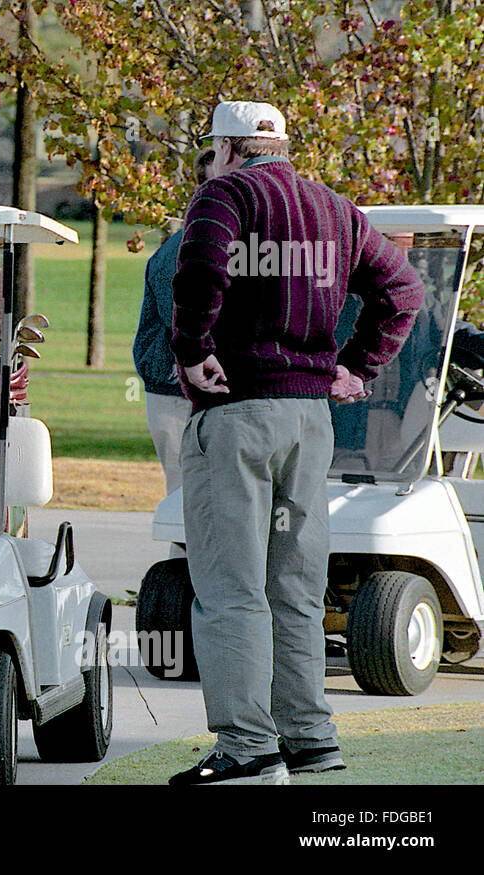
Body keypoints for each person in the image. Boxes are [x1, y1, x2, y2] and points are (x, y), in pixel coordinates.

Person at [168, 100, 425, 785]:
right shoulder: (335, 208)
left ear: (228, 147)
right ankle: (309, 737)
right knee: (295, 585)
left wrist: (192, 350)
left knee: (230, 586)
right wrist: (359, 365)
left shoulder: (223, 194)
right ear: (280, 143)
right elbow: (402, 288)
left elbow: (198, 272)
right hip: (310, 419)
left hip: (237, 413)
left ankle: (248, 748)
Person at [133, 147, 218, 499]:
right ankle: (182, 556)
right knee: (188, 497)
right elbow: (187, 320)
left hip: (200, 386)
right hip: (175, 392)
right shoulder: (182, 249)